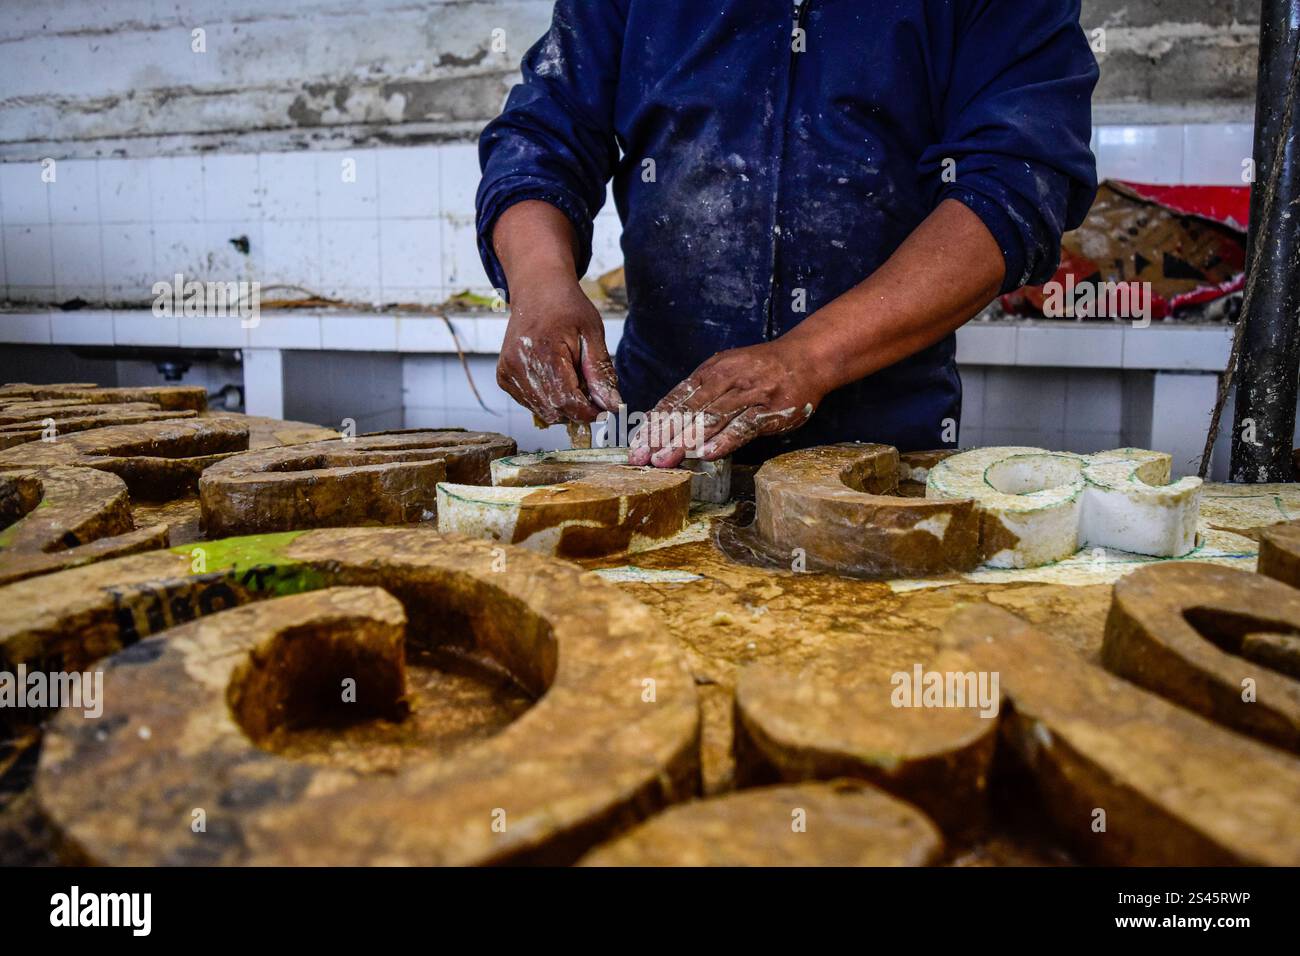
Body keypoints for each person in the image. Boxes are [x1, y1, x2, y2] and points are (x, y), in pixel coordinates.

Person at [478, 0, 1099, 467]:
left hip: (880, 440)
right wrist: (539, 287)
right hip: (660, 431)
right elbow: (541, 141)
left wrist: (809, 357)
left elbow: (1017, 180)